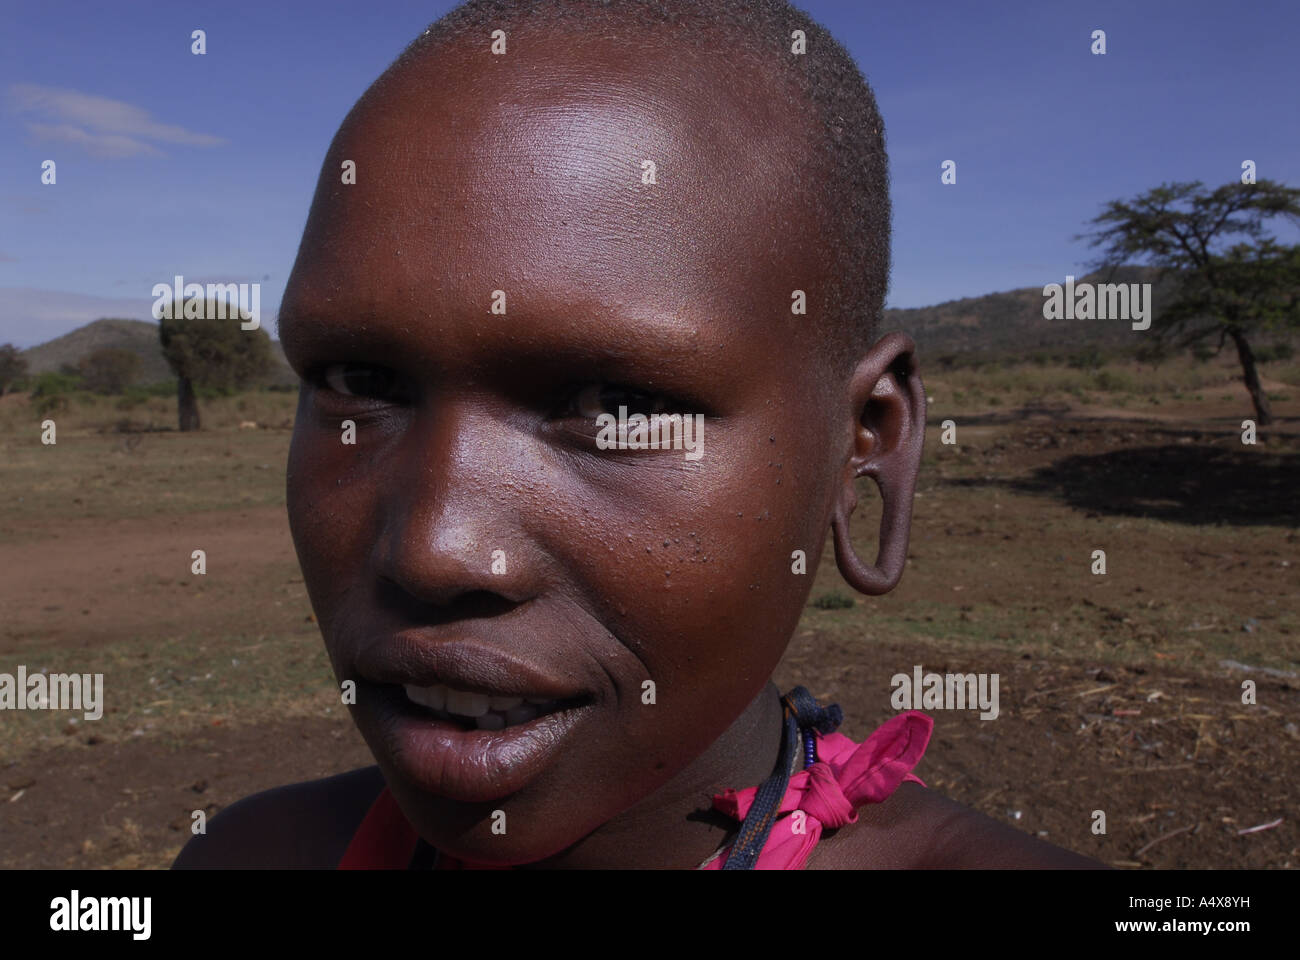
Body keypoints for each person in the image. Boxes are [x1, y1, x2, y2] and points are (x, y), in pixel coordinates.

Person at [174, 0, 1102, 869]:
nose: (434, 549)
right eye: (358, 382)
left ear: (865, 441)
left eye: (616, 404)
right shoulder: (251, 855)